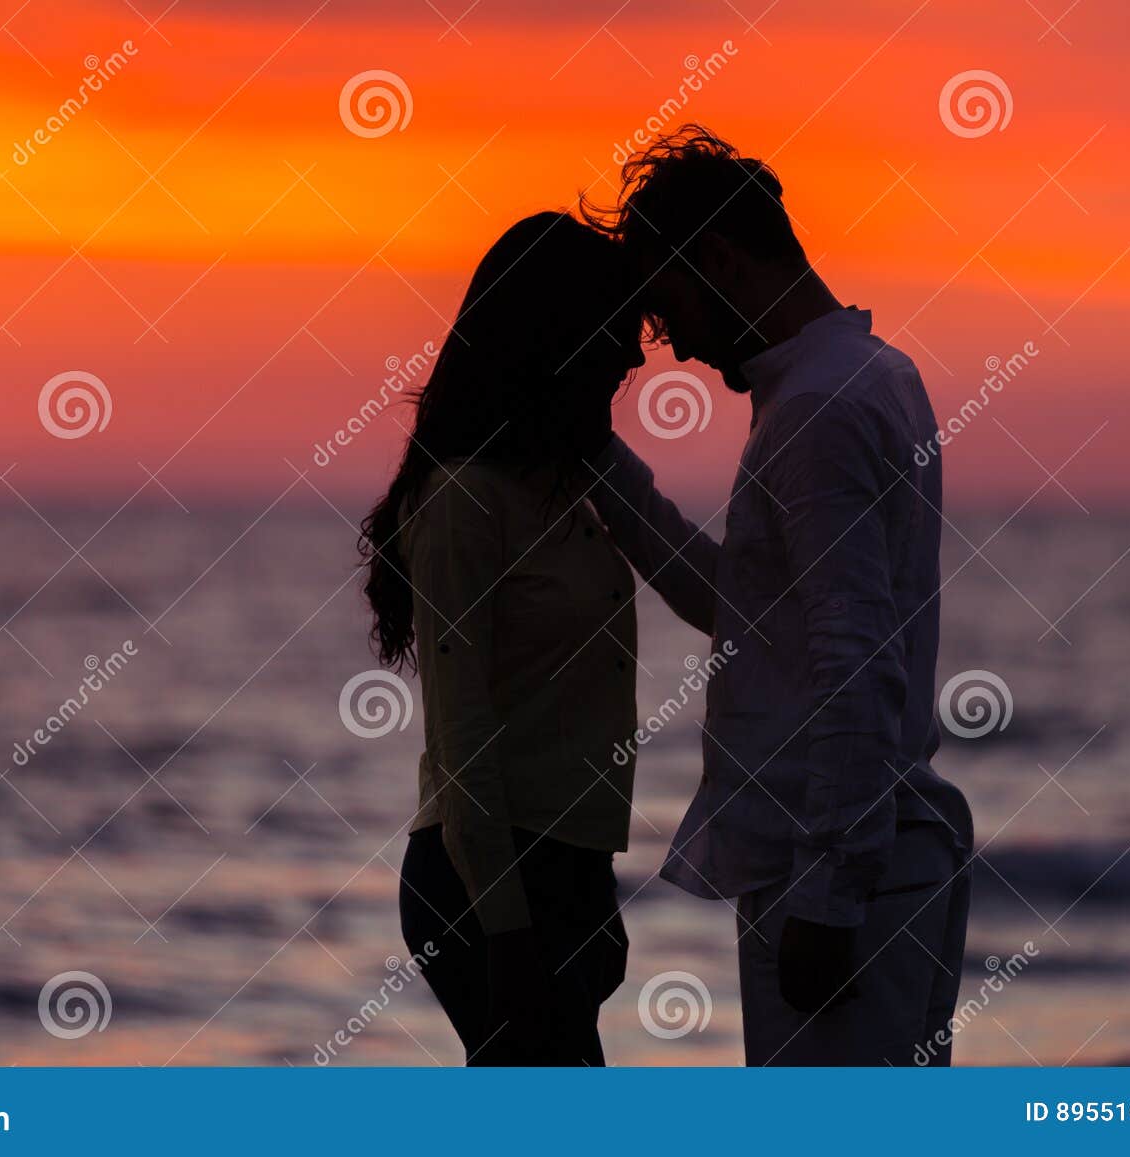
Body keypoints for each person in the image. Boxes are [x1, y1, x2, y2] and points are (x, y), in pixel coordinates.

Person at [580, 127, 975, 1065]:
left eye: (669, 307)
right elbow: (760, 616)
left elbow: (855, 660)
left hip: (844, 878)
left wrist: (829, 897)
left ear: (719, 258)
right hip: (880, 860)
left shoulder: (819, 411)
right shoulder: (870, 376)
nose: (671, 347)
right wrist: (600, 468)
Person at [360, 212, 647, 1065]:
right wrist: (510, 931)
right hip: (484, 880)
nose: (635, 359)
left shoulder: (564, 487)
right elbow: (463, 738)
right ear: (557, 338)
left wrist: (593, 889)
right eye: (619, 334)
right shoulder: (461, 501)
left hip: (561, 868)